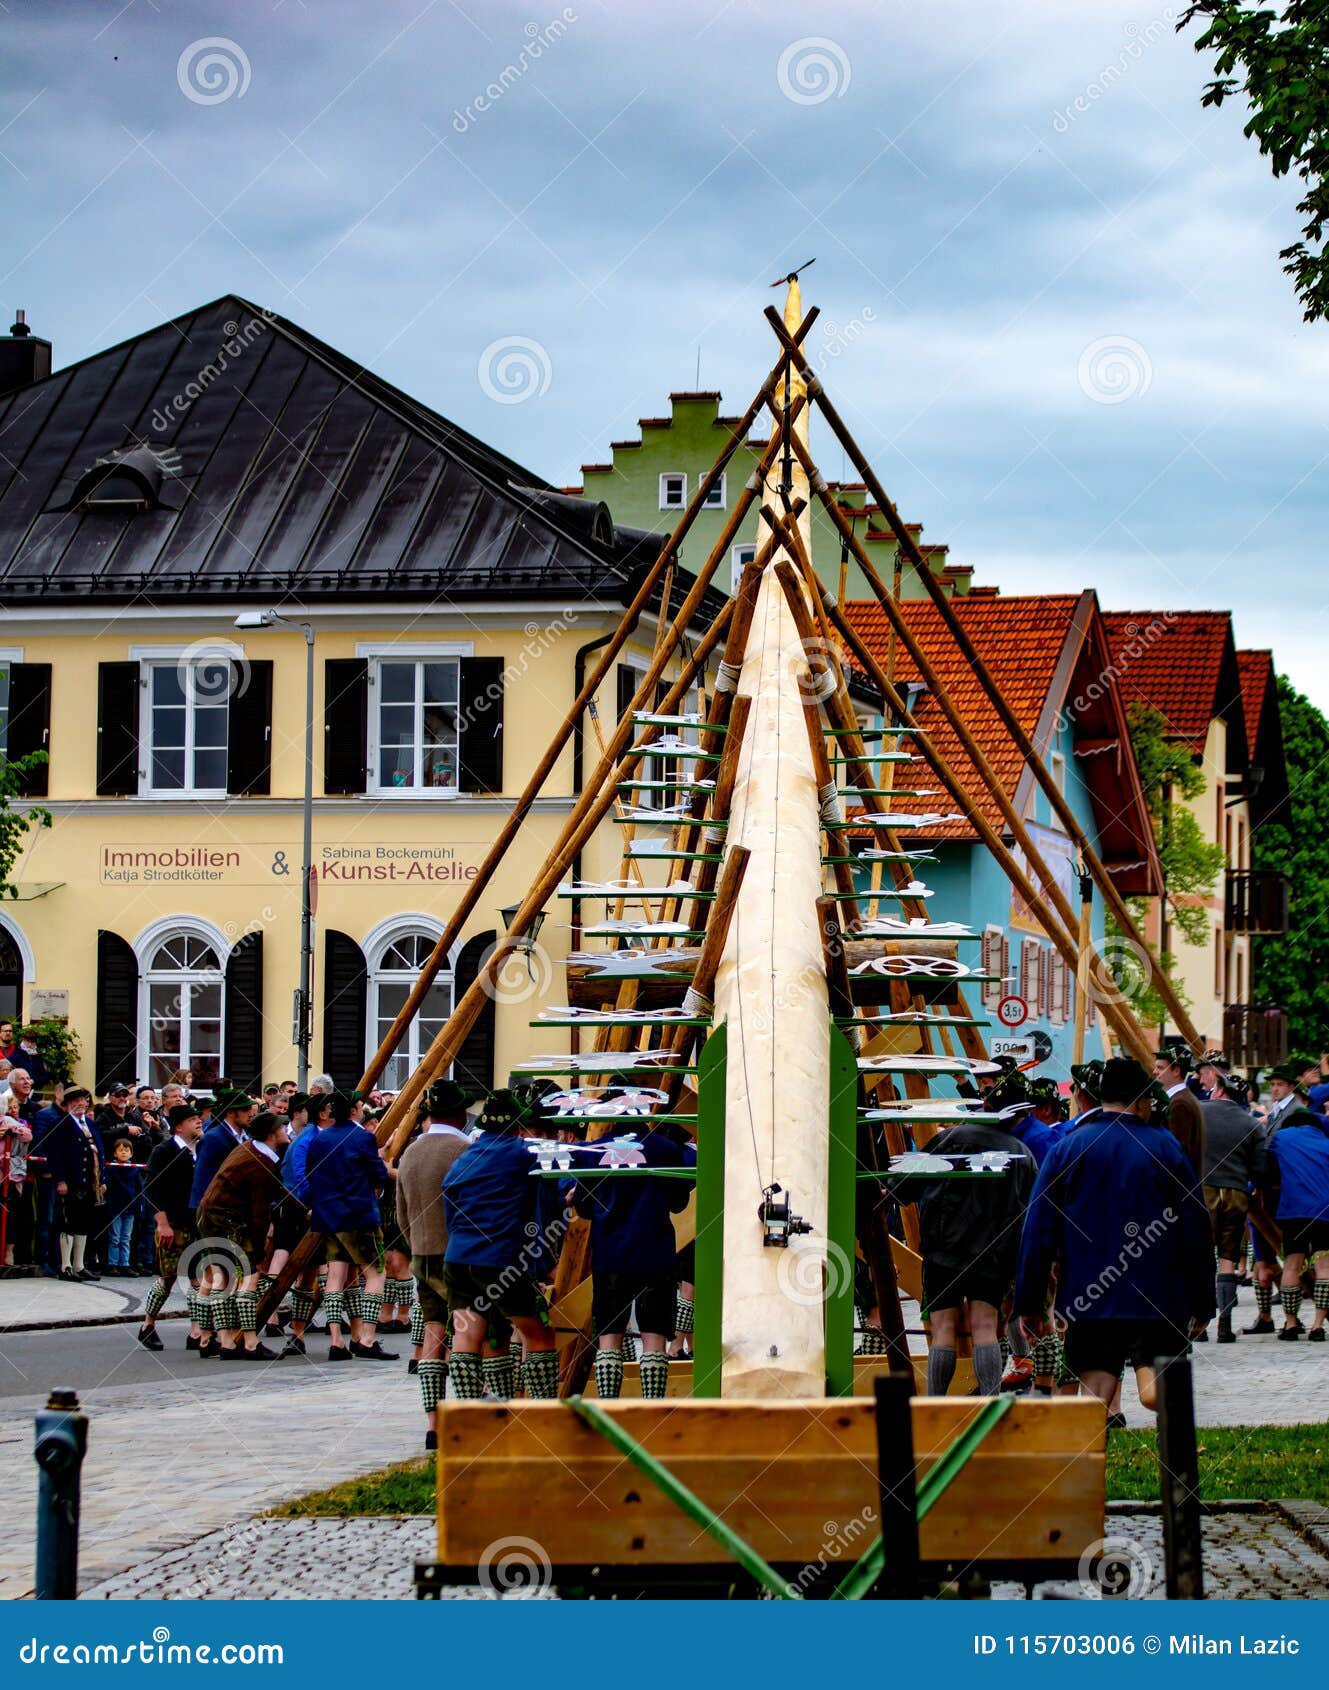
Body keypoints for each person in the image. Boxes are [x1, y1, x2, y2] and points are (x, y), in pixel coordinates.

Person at [1016, 1056, 1215, 1418]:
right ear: (1141, 1100)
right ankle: (1167, 1433)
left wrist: (1029, 1302)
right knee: (1160, 1385)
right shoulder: (1165, 1147)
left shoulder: (1069, 1148)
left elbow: (1038, 1229)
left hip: (1090, 1295)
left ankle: (1087, 1465)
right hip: (1159, 1293)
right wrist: (1203, 1300)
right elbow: (1195, 1227)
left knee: (1094, 1397)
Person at [442, 1088, 559, 1399]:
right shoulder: (521, 1152)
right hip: (499, 1259)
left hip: (457, 1257)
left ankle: (468, 1422)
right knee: (540, 1335)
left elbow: (449, 1210)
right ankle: (542, 1420)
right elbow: (567, 1160)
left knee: (467, 1337)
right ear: (518, 1124)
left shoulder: (465, 1157)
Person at [912, 1105, 1036, 1397]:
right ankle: (990, 1401)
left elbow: (906, 1183)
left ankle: (935, 1402)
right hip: (992, 1253)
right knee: (985, 1327)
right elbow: (1031, 1207)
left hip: (943, 1250)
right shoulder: (1020, 1151)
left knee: (943, 1329)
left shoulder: (948, 1139)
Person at [572, 1125, 694, 1401]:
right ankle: (652, 1410)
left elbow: (583, 1206)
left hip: (610, 1253)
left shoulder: (593, 1151)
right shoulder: (665, 1149)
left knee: (610, 1335)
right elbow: (678, 1203)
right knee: (654, 1336)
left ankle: (609, 1408)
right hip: (656, 1251)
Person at [396, 1079, 474, 1447]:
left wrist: (416, 1244)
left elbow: (400, 1211)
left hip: (422, 1251)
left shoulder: (411, 1151)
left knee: (432, 1331)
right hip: (458, 1252)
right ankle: (464, 1415)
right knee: (465, 1328)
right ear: (459, 1114)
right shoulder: (463, 1149)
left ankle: (433, 1423)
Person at [305, 1090, 397, 1361]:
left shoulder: (320, 1139)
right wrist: (384, 1164)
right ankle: (367, 1339)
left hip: (328, 1215)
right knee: (375, 1275)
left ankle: (336, 1341)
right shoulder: (362, 1138)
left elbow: (311, 1174)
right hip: (358, 1215)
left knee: (335, 1278)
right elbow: (379, 1175)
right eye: (360, 1105)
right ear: (355, 1110)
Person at [195, 1110, 291, 1360]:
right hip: (228, 1219)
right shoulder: (259, 1163)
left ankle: (219, 1339)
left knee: (222, 1275)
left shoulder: (250, 1149)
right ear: (271, 1134)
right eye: (282, 1127)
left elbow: (276, 1190)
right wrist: (258, 1250)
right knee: (249, 1274)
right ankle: (249, 1342)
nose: (285, 1130)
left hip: (210, 1214)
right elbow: (259, 1212)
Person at [1198, 1071, 1265, 1342]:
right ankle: (1224, 1327)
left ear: (1220, 1091)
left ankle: (1199, 1325)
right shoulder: (1251, 1123)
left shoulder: (1199, 1112)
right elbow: (1260, 1168)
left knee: (1201, 1258)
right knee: (1228, 1259)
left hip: (1203, 1189)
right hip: (1237, 1191)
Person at [1261, 1087, 1329, 1340]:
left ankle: (1290, 1324)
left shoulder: (1281, 1138)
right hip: (1324, 1210)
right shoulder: (1326, 1142)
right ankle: (1318, 1326)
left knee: (1292, 1263)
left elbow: (1265, 1170)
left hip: (1293, 1210)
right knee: (1324, 1264)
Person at [137, 1102, 206, 1352]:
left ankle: (196, 1330)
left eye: (198, 1119)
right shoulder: (164, 1151)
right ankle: (147, 1324)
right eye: (192, 1120)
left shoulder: (201, 1149)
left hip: (196, 1223)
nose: (198, 1122)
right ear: (179, 1126)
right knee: (168, 1278)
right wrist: (161, 1222)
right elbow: (151, 1187)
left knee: (197, 1278)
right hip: (173, 1223)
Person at [47, 1088, 104, 1282]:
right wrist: (60, 1180)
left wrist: (102, 1180)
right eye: (76, 1101)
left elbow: (100, 1154)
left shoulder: (91, 1124)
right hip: (71, 1181)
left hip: (89, 1182)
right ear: (68, 1104)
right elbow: (55, 1156)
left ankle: (79, 1265)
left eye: (83, 1100)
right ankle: (65, 1266)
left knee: (84, 1222)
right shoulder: (60, 1124)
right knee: (68, 1222)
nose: (81, 1104)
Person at [1154, 1044, 1205, 1179]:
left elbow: (1176, 1152)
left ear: (1176, 1071)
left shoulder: (1180, 1104)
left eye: (1160, 1068)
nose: (1154, 1072)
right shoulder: (1181, 1099)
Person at [104, 1139, 144, 1275]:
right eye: (120, 1150)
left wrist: (139, 1206)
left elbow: (139, 1189)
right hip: (115, 1207)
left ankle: (124, 1264)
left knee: (126, 1238)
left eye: (126, 1150)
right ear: (115, 1153)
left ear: (131, 1154)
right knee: (114, 1237)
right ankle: (112, 1264)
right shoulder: (111, 1168)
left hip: (130, 1208)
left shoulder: (134, 1169)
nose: (124, 1152)